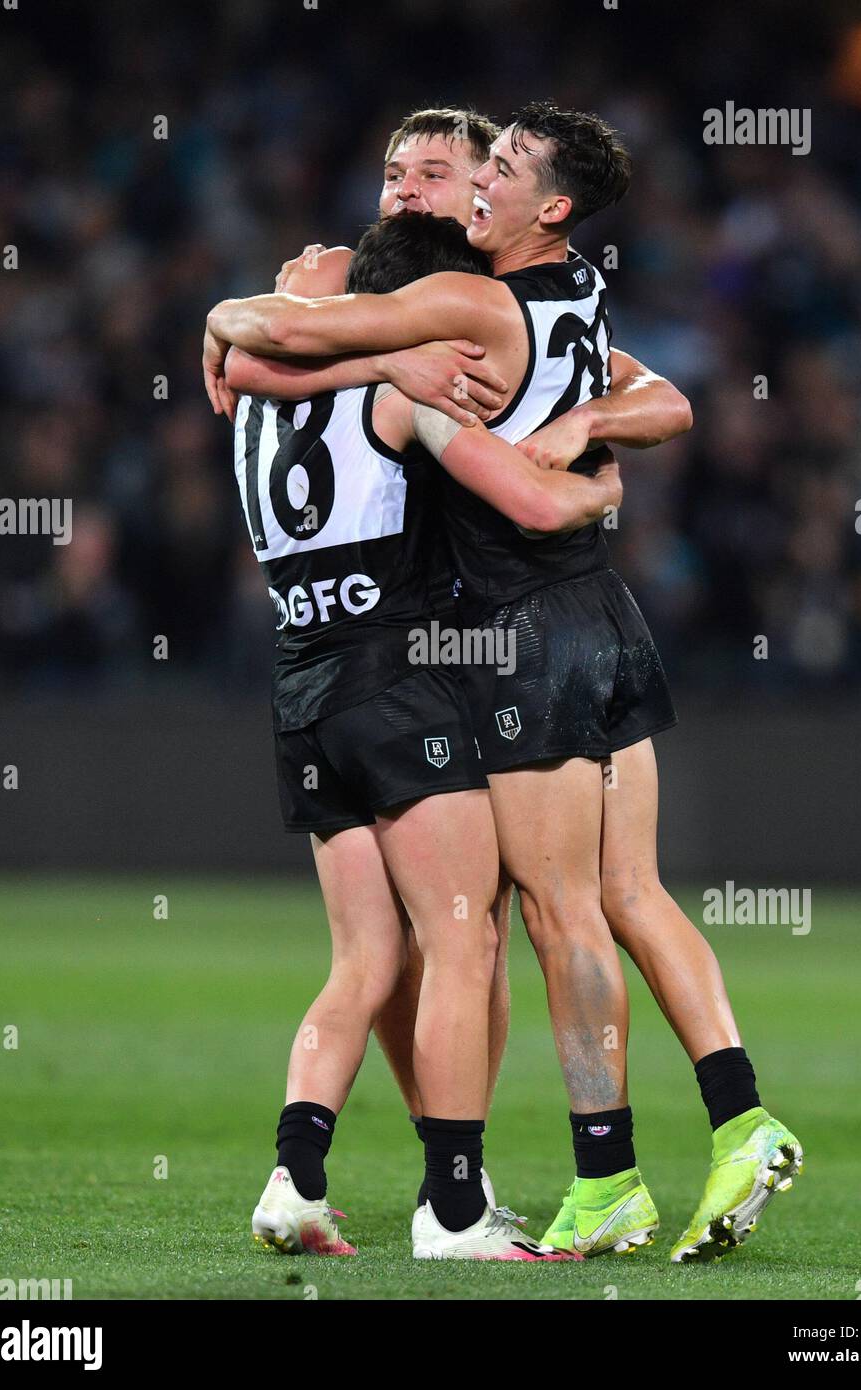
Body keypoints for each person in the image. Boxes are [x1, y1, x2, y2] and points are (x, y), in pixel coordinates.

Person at [211, 102, 802, 1262]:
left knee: (538, 912)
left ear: (535, 199)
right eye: (401, 172)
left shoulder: (458, 295)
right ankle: (736, 1114)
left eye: (459, 171)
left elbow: (258, 333)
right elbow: (670, 400)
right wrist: (590, 428)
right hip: (601, 613)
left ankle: (592, 1179)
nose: (425, 190)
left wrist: (245, 326)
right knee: (625, 893)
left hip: (509, 632)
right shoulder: (567, 285)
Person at [242, 212, 619, 1260]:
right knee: (462, 938)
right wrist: (596, 478)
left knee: (363, 957)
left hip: (298, 685)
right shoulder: (398, 387)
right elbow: (529, 506)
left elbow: (247, 329)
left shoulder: (253, 398)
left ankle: (294, 1177)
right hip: (398, 685)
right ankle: (454, 1208)